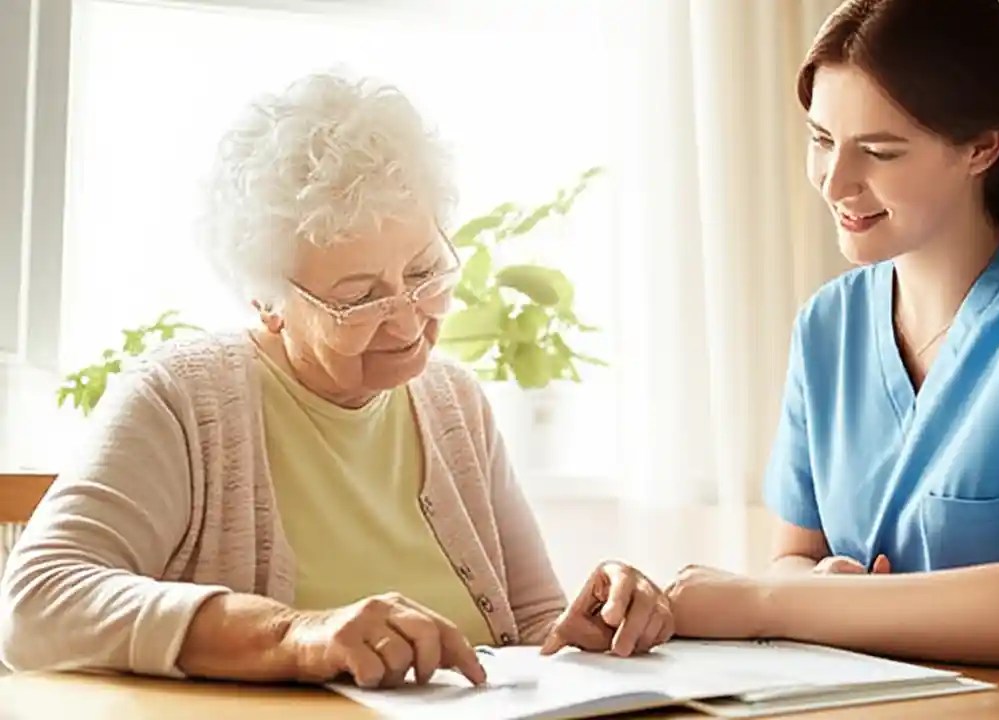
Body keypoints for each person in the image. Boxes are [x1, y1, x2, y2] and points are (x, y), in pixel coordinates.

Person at [0, 73, 671, 688]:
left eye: (423, 272)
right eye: (359, 298)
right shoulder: (179, 402)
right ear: (266, 302)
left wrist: (599, 627)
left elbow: (535, 638)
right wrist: (294, 634)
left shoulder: (455, 403)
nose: (408, 322)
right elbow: (35, 604)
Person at [665, 0, 999, 668]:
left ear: (981, 148)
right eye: (822, 140)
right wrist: (808, 588)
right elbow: (797, 555)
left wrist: (759, 604)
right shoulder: (827, 326)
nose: (835, 182)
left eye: (879, 151)